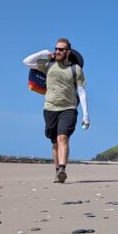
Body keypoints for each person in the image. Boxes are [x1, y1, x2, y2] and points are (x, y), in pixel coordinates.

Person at [22, 38, 89, 183]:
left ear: (68, 51)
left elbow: (82, 92)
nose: (58, 51)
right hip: (50, 108)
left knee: (62, 138)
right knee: (54, 142)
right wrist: (44, 53)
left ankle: (63, 169)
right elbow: (26, 62)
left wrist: (86, 115)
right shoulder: (49, 64)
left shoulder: (75, 69)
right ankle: (57, 170)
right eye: (56, 49)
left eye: (61, 49)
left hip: (69, 108)